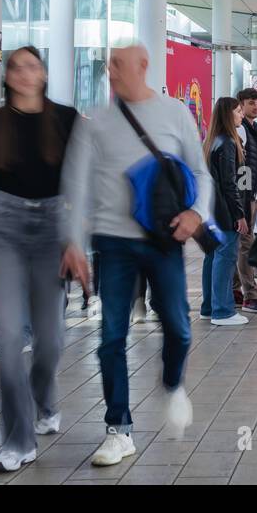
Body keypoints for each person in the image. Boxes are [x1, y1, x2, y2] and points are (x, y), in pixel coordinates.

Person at [63, 43, 213, 468]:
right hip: (111, 243)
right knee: (111, 336)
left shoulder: (174, 113)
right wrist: (74, 242)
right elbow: (77, 186)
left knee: (179, 329)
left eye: (117, 63)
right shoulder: (94, 124)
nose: (110, 70)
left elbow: (200, 172)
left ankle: (172, 384)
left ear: (143, 66)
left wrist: (194, 213)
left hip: (161, 240)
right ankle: (119, 429)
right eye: (109, 64)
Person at [0, 46, 83, 472]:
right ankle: (17, 440)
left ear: (44, 73)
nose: (25, 74)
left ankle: (44, 401)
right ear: (7, 76)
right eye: (16, 67)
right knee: (9, 338)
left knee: (50, 340)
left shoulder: (66, 119)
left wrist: (75, 239)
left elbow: (78, 184)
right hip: (5, 226)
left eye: (33, 66)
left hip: (53, 228)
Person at [201, 96, 248, 327]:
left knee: (212, 257)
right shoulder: (229, 142)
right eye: (239, 111)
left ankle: (209, 307)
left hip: (209, 209)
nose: (241, 114)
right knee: (225, 257)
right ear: (229, 115)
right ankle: (222, 311)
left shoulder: (211, 141)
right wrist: (239, 214)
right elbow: (230, 183)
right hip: (224, 211)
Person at [232, 88, 257, 314]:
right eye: (250, 103)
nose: (255, 107)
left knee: (241, 245)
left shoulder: (254, 129)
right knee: (246, 245)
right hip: (245, 197)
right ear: (241, 105)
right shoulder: (241, 130)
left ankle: (236, 290)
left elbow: (256, 164)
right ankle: (250, 296)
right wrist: (245, 199)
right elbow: (241, 168)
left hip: (252, 196)